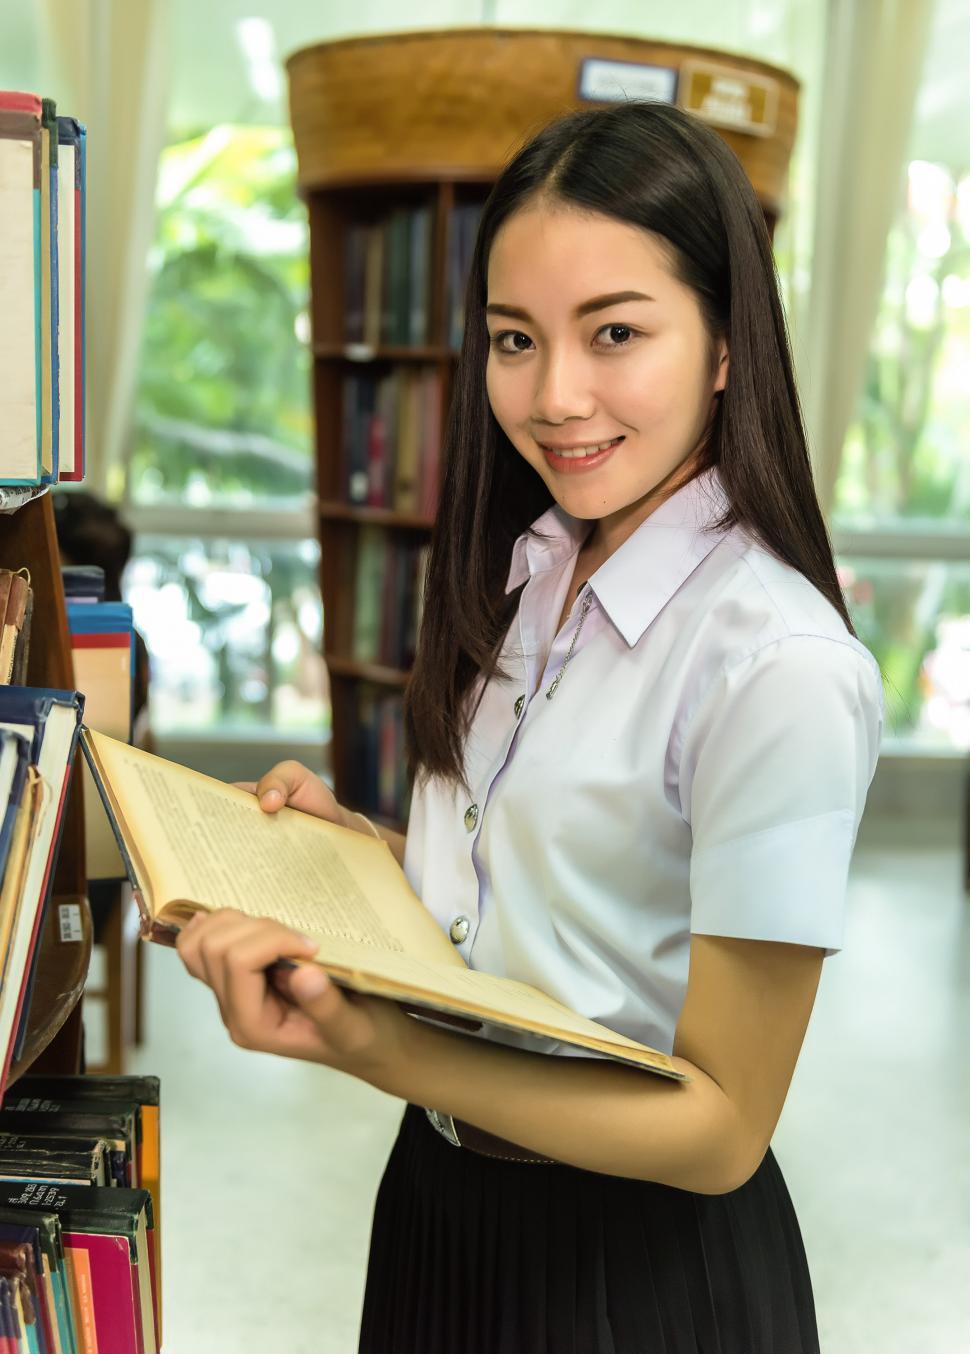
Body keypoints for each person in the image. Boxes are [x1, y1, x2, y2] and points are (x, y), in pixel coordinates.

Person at [174, 100, 883, 1352]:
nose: (556, 395)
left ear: (726, 342)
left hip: (633, 1267)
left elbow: (722, 1128)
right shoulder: (533, 566)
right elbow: (547, 911)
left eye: (615, 332)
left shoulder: (777, 663)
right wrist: (370, 861)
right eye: (513, 339)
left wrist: (382, 1047)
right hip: (440, 1203)